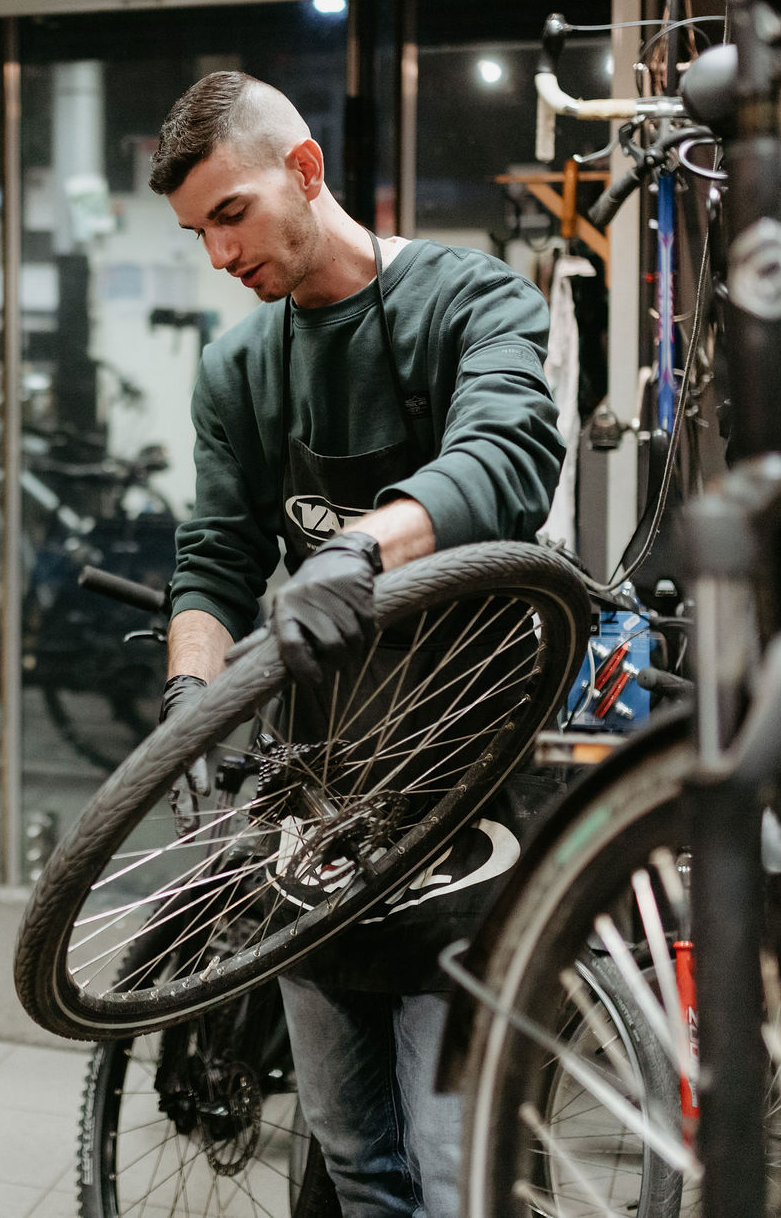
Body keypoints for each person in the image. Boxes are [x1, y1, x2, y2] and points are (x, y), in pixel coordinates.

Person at [152, 72, 563, 1218]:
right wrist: (192, 691)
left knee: (450, 1172)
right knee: (354, 1164)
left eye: (228, 214)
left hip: (466, 790)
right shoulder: (239, 368)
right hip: (319, 799)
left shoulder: (468, 299)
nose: (217, 254)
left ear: (303, 171)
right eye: (196, 233)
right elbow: (215, 559)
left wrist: (357, 552)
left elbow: (508, 454)